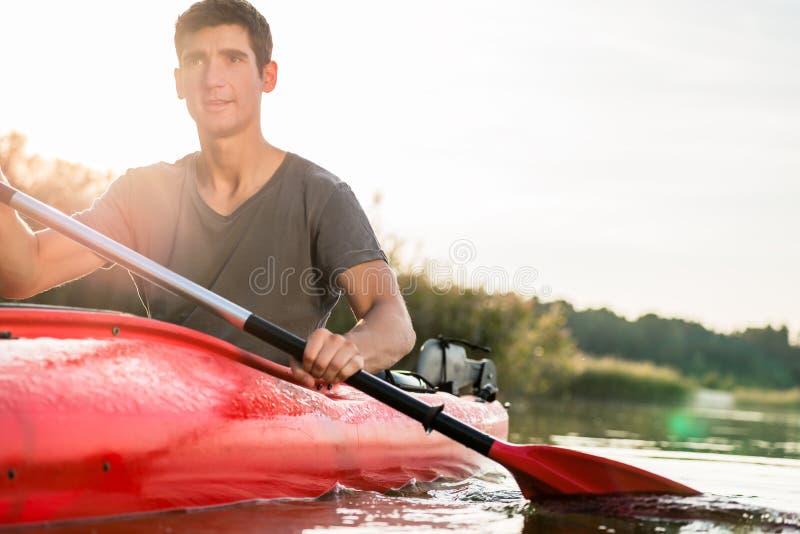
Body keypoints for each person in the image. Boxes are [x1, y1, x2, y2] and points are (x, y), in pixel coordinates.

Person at [0, 0, 415, 387]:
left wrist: (353, 348)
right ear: (179, 82)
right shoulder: (142, 193)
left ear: (267, 76)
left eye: (233, 59)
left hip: (283, 416)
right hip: (173, 404)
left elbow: (393, 319)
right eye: (196, 60)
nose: (212, 79)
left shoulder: (323, 195)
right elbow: (27, 270)